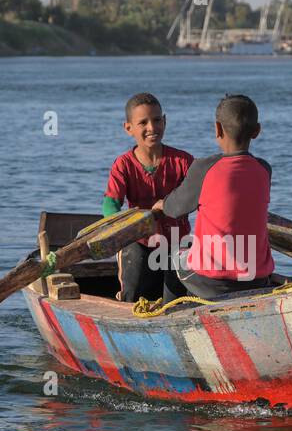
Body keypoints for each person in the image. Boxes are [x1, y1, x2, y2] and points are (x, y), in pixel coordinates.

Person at [155, 94, 274, 301]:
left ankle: (169, 317)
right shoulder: (264, 169)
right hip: (258, 278)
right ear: (257, 131)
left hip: (212, 282)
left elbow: (176, 208)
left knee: (172, 257)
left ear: (217, 129)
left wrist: (161, 204)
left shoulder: (204, 168)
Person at [102, 93, 194, 302]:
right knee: (132, 282)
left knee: (176, 301)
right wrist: (117, 227)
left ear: (165, 121)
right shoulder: (123, 165)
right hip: (139, 243)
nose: (152, 127)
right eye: (143, 122)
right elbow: (111, 204)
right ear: (128, 128)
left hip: (177, 244)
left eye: (157, 120)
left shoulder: (183, 161)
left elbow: (200, 196)